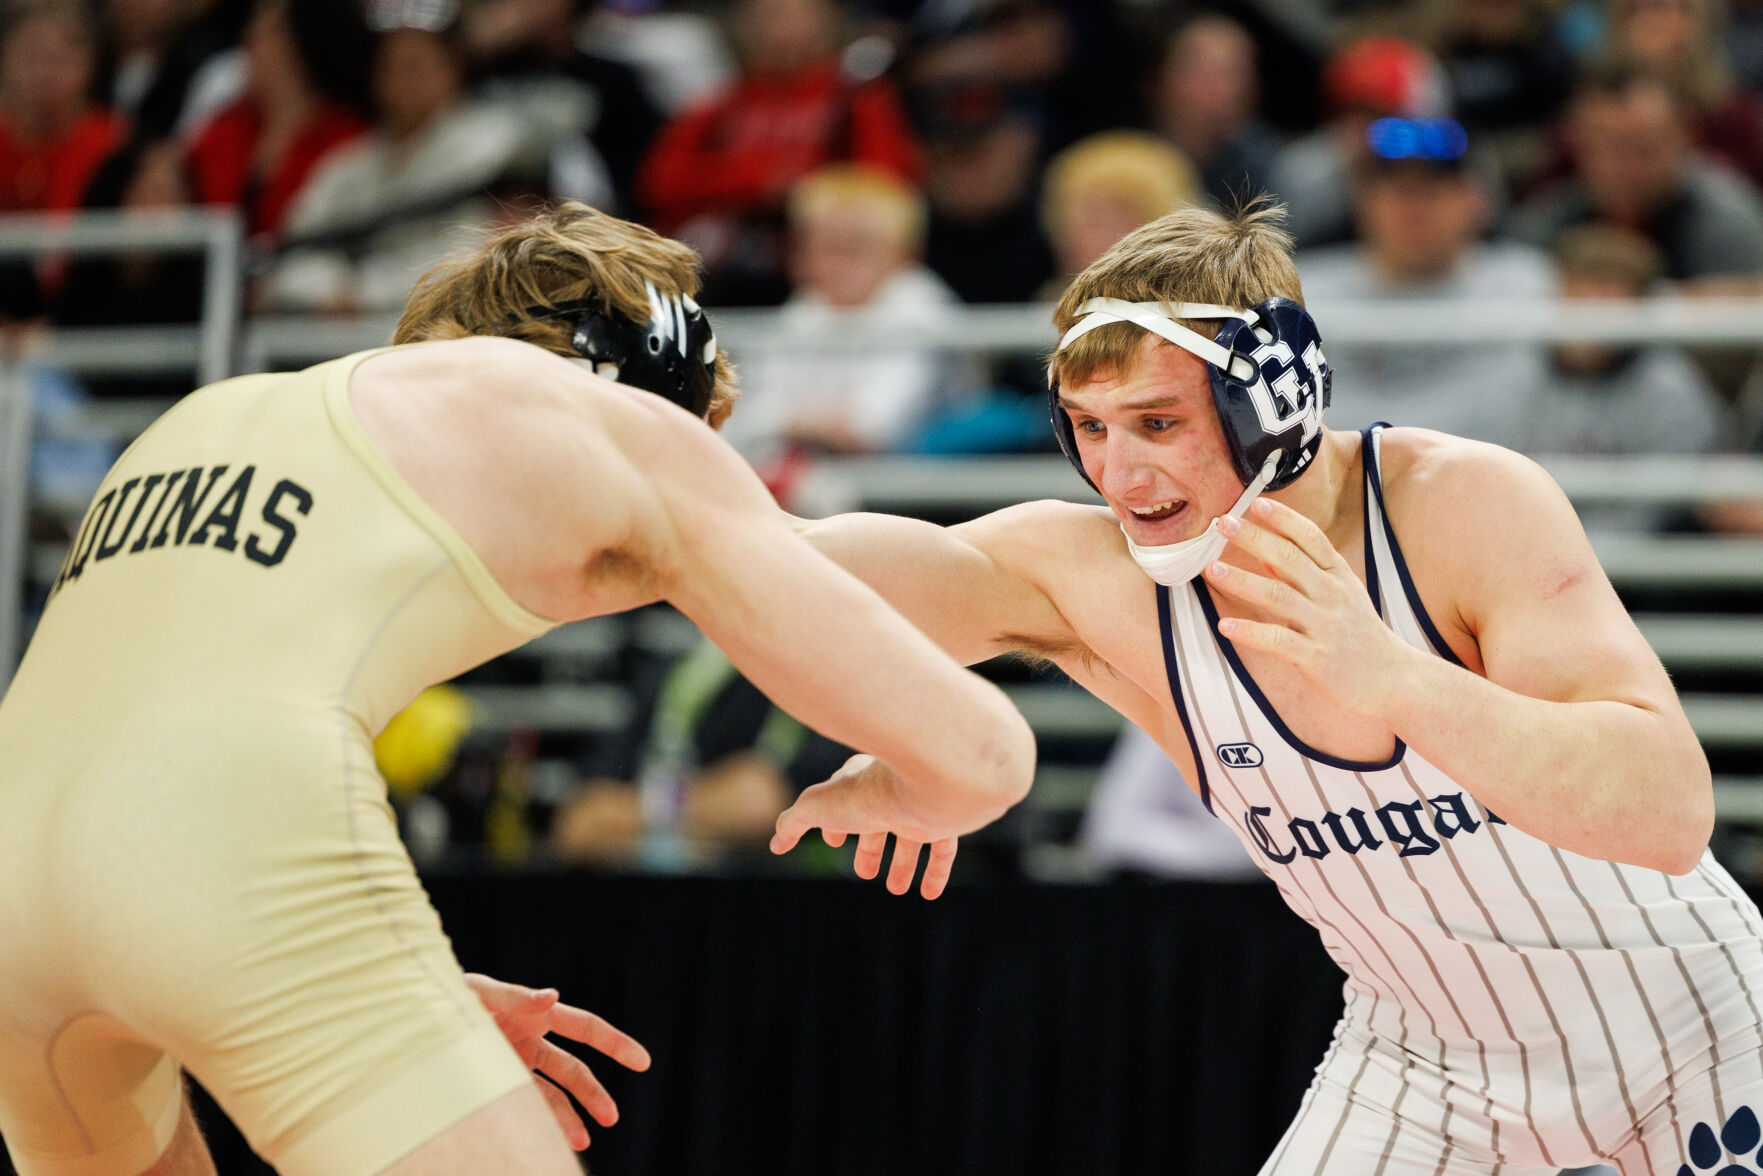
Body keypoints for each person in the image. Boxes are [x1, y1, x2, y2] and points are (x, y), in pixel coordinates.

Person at [0, 201, 1035, 1176]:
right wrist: (917, 789)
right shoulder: (606, 420)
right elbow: (979, 753)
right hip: (233, 855)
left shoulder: (210, 416)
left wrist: (413, 989)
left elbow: (138, 779)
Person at [774, 201, 1760, 1175]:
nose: (1117, 475)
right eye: (1087, 428)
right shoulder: (1087, 575)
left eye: (1155, 423)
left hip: (1691, 1028)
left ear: (1276, 400)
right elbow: (772, 569)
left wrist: (1388, 677)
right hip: (1428, 1062)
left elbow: (1666, 812)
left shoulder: (1460, 504)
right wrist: (654, 503)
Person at [1297, 117, 1553, 446]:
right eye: (1396, 188)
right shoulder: (1302, 293)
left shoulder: (1533, 285)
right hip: (1341, 488)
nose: (1414, 206)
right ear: (1362, 200)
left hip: (1487, 485)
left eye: (1435, 188)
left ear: (1479, 200)